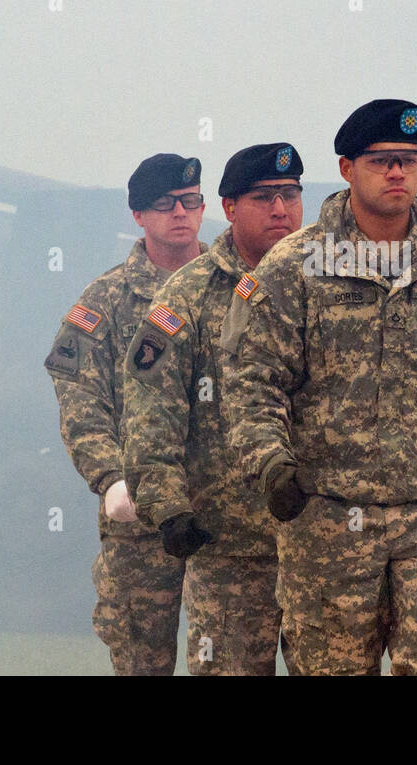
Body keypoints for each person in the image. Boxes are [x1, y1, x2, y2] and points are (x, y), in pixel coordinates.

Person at [221, 98, 417, 675]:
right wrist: (271, 465)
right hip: (329, 513)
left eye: (408, 160)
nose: (397, 173)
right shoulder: (293, 268)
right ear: (347, 168)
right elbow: (253, 384)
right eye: (381, 160)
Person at [121, 142, 305, 675]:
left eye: (290, 195)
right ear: (229, 207)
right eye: (263, 197)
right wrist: (168, 507)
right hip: (228, 545)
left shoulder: (329, 285)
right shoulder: (187, 298)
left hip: (321, 537)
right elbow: (152, 410)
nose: (280, 209)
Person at [44, 153, 206, 675]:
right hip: (140, 519)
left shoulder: (237, 288)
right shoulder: (106, 300)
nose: (181, 214)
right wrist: (112, 479)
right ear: (138, 215)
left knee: (231, 661)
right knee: (142, 660)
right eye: (165, 205)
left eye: (191, 202)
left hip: (226, 514)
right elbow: (80, 399)